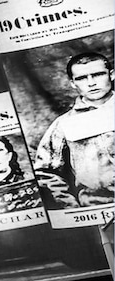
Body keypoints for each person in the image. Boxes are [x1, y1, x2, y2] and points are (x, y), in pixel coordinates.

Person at [33, 52, 115, 209]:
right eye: (82, 78)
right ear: (72, 83)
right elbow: (46, 173)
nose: (91, 83)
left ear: (111, 75)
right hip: (97, 209)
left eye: (98, 74)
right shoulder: (64, 124)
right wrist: (70, 208)